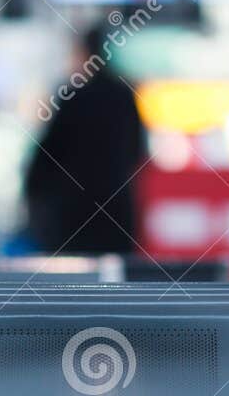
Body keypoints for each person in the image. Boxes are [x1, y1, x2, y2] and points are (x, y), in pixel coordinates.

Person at [23, 21, 148, 254]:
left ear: (84, 53)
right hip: (116, 213)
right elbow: (138, 151)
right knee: (113, 282)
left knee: (72, 284)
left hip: (73, 215)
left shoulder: (73, 96)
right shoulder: (125, 96)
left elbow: (48, 155)